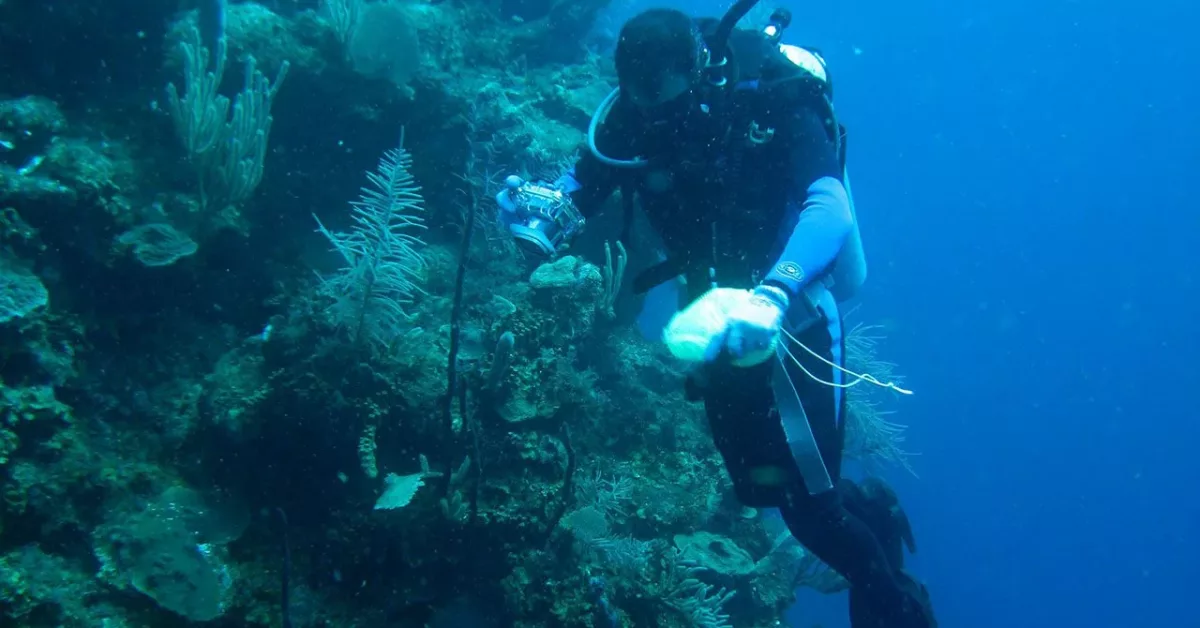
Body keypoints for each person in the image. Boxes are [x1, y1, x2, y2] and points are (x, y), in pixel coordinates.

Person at [498, 3, 937, 626]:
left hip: (794, 320)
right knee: (765, 490)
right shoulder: (633, 115)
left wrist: (775, 293)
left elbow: (830, 207)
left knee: (813, 513)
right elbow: (580, 187)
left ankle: (895, 609)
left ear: (698, 68)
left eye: (663, 92)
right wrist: (535, 207)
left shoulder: (771, 101)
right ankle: (871, 506)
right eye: (638, 94)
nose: (653, 110)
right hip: (715, 324)